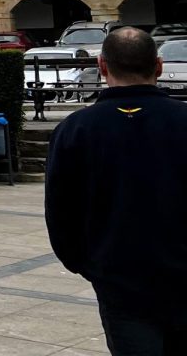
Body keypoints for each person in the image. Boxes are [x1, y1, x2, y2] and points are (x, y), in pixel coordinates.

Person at [46, 27, 187, 353]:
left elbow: (60, 212)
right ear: (159, 66)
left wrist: (87, 264)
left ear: (103, 66)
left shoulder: (74, 130)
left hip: (118, 281)